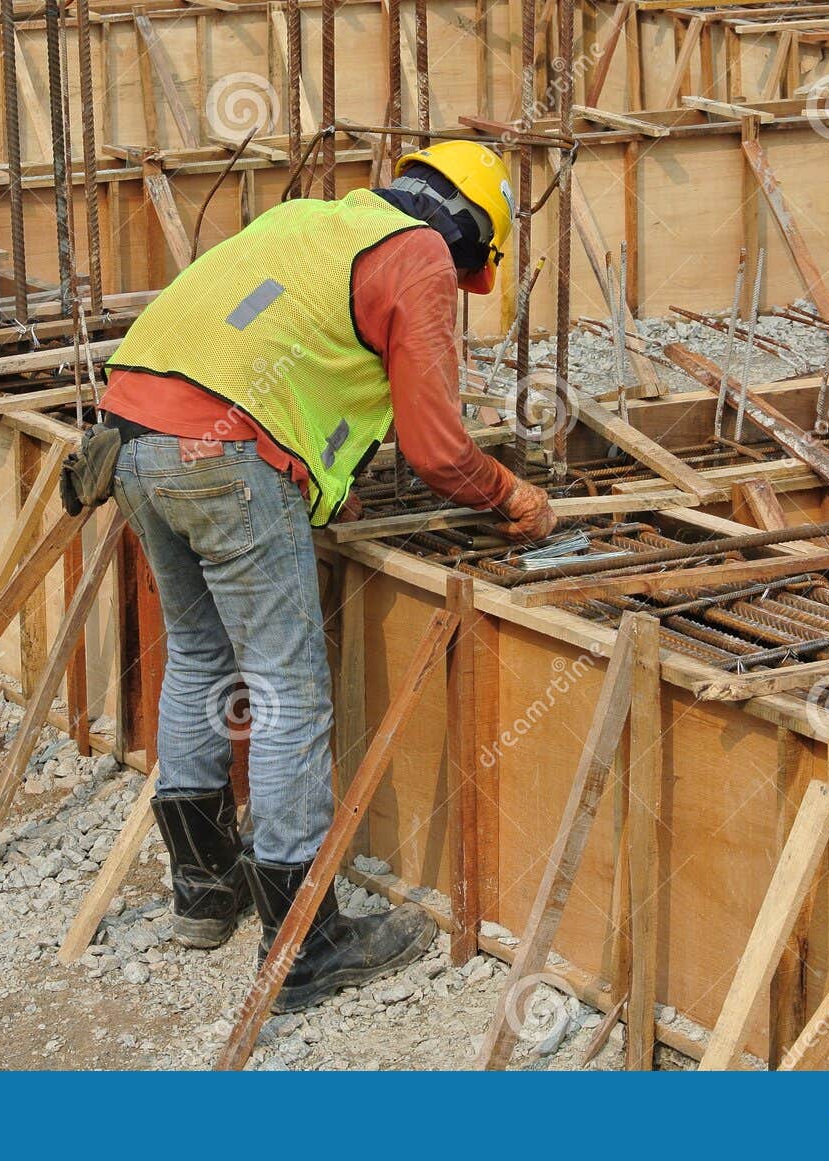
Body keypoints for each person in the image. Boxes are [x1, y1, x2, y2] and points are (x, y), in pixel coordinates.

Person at [99, 141, 555, 1012]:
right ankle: (305, 941)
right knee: (286, 689)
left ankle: (204, 892)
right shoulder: (418, 254)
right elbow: (437, 450)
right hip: (226, 457)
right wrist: (512, 495)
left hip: (129, 434)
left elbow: (285, 352)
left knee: (199, 653)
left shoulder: (313, 220)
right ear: (468, 235)